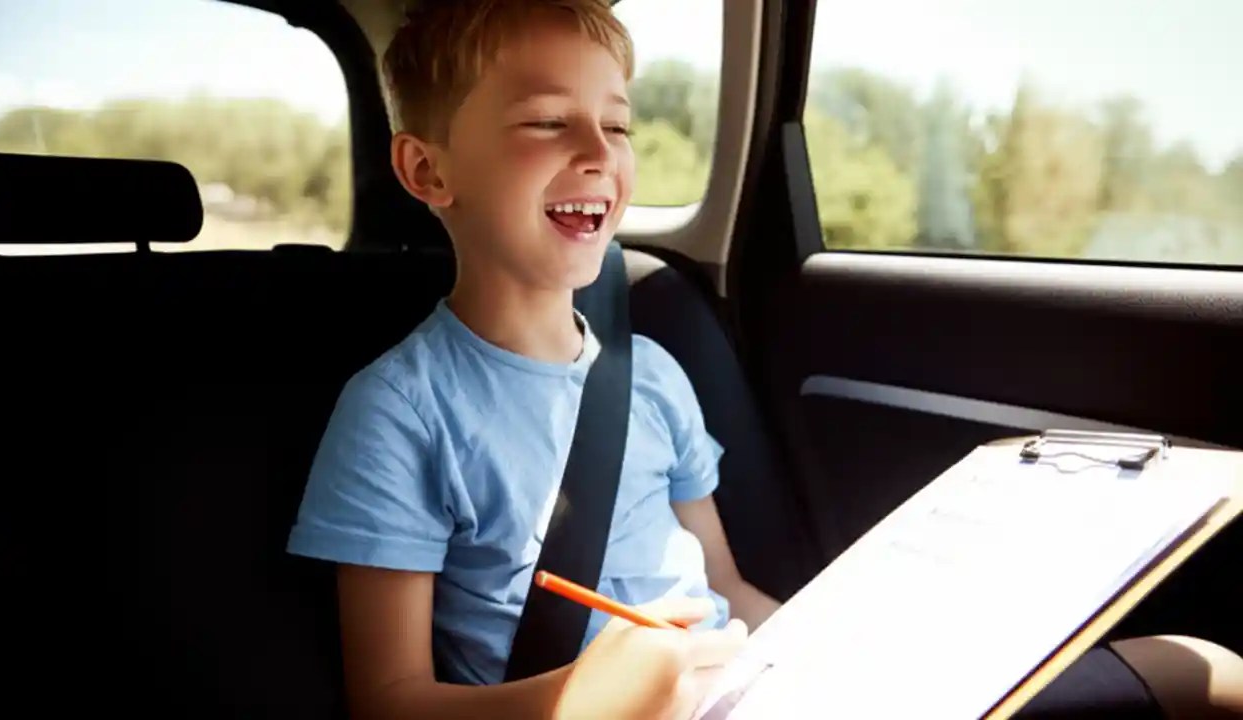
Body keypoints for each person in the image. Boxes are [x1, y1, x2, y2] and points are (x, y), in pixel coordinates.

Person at [285, 1, 1243, 718]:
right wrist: (578, 700)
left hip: (747, 692)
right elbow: (390, 701)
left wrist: (846, 655)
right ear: (428, 170)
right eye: (545, 122)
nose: (597, 152)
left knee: (1200, 671)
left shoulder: (651, 377)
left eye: (616, 124)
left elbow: (726, 589)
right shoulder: (398, 411)